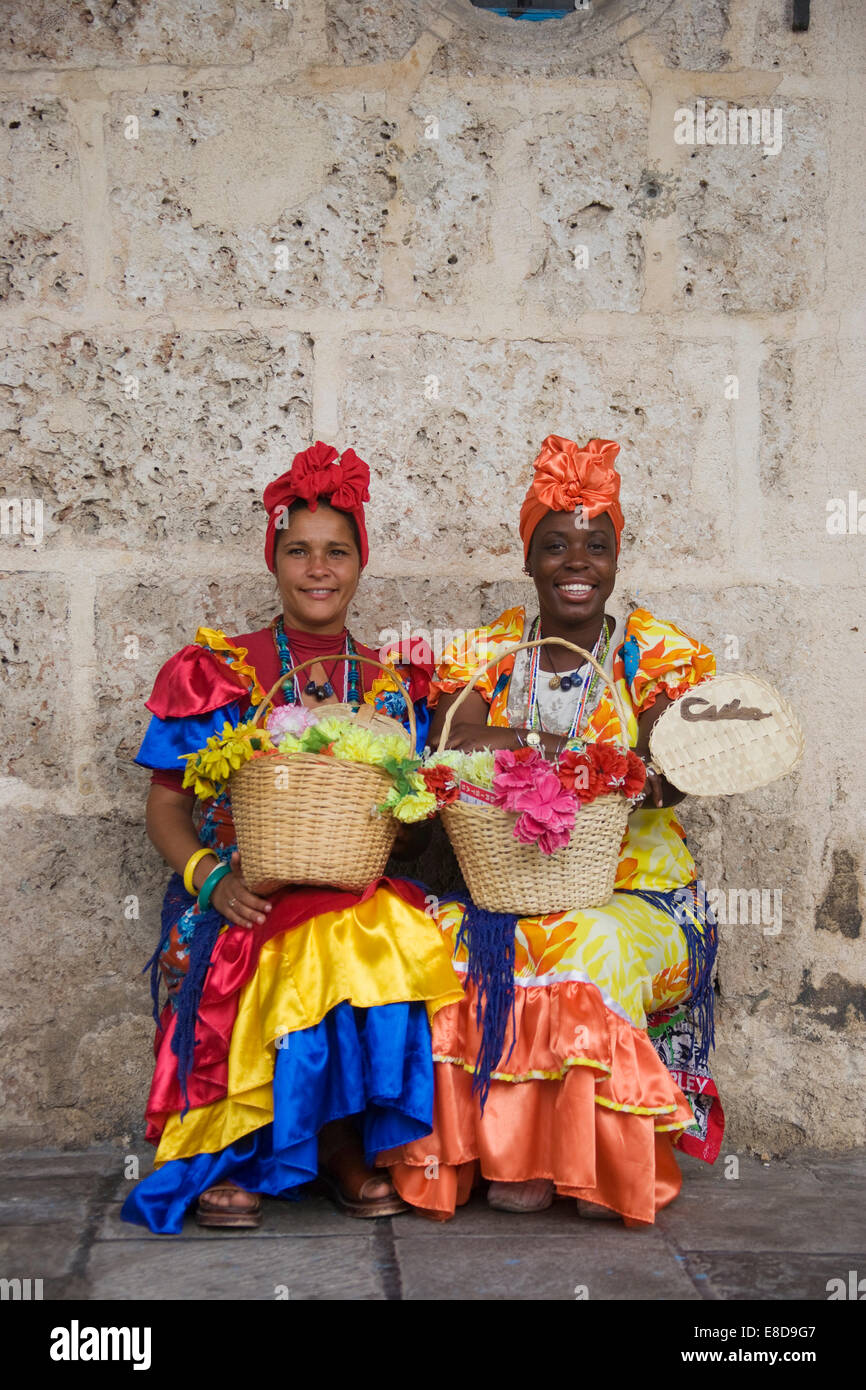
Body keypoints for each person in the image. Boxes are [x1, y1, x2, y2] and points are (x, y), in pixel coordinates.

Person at [380, 434, 724, 1224]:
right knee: (444, 942)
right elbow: (454, 745)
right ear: (529, 558)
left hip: (638, 894)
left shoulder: (652, 653)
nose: (578, 562)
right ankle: (495, 1157)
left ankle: (578, 1161)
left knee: (583, 940)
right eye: (556, 545)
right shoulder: (493, 652)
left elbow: (667, 767)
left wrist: (530, 748)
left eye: (596, 546)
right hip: (502, 886)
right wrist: (583, 753)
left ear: (615, 560)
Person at [121, 441, 462, 1234]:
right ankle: (239, 1149)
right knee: (315, 934)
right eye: (299, 551)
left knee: (378, 927)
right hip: (241, 887)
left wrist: (411, 819)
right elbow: (165, 806)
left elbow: (400, 841)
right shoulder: (220, 670)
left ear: (359, 564)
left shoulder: (391, 685)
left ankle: (341, 1141)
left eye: (337, 552)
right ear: (273, 559)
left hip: (344, 888)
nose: (319, 569)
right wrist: (211, 878)